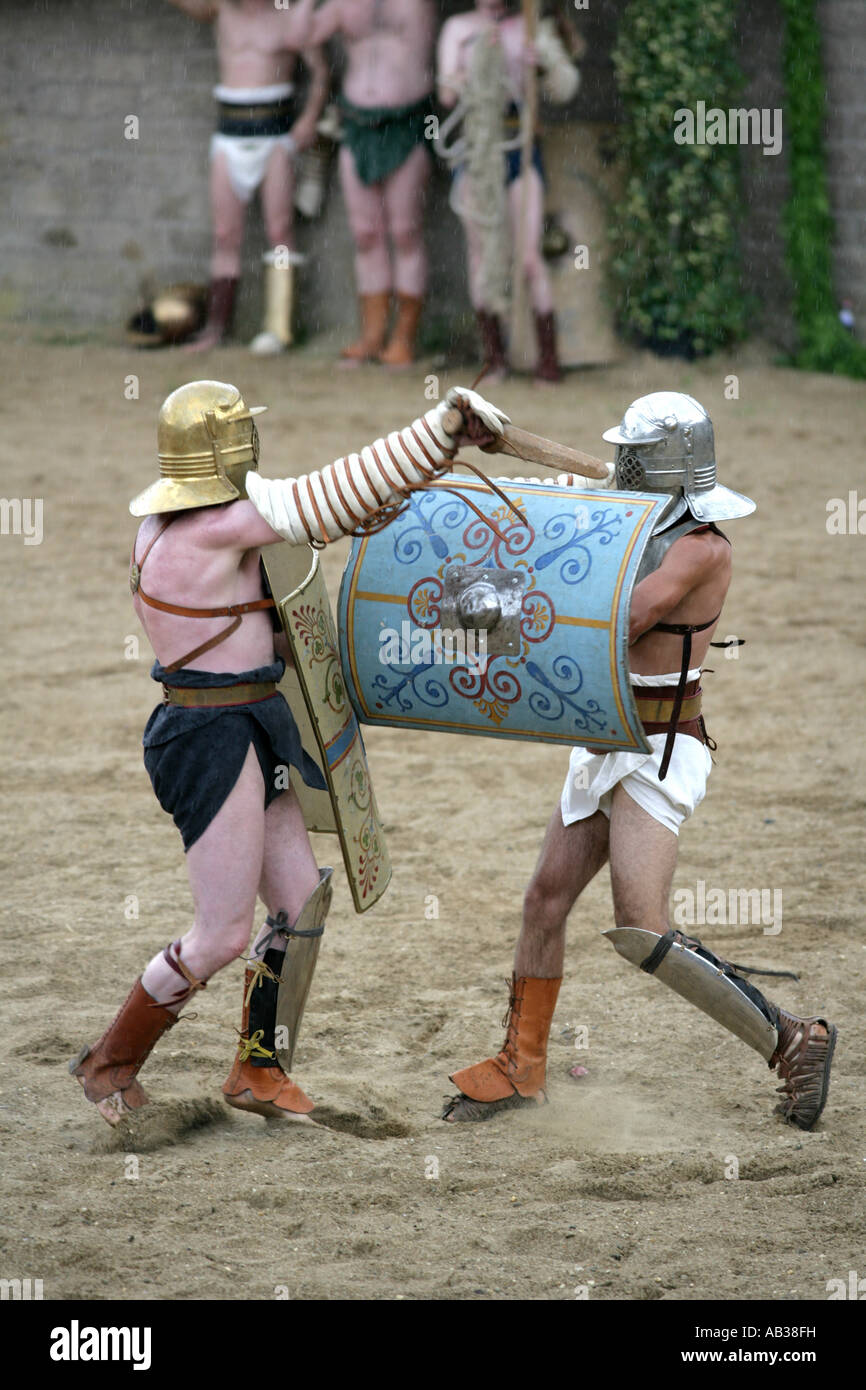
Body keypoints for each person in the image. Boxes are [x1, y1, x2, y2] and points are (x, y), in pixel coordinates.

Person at [70, 377, 508, 1128]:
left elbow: (282, 607)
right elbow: (323, 497)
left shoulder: (202, 525)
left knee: (299, 902)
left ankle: (259, 1070)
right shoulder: (205, 533)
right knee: (220, 934)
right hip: (208, 737)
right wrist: (439, 430)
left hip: (255, 721)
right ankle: (110, 1063)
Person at [443, 392, 837, 1131]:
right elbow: (587, 491)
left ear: (659, 467)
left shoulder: (701, 547)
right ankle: (521, 1066)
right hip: (603, 738)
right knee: (544, 902)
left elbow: (620, 616)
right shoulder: (634, 514)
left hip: (658, 748)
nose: (618, 465)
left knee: (641, 926)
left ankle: (793, 1038)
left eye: (632, 455)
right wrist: (507, 443)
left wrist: (506, 602)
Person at [165, 0, 328, 353]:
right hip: (229, 133)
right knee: (225, 234)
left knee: (280, 230)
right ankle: (216, 328)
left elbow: (320, 72)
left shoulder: (290, 15)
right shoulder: (221, 9)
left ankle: (279, 327)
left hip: (275, 132)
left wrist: (310, 117)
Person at [436, 0, 580, 382]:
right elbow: (447, 94)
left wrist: (543, 63)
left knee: (530, 258)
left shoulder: (531, 26)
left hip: (520, 148)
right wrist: (474, 64)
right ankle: (494, 357)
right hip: (478, 152)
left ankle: (548, 361)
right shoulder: (458, 28)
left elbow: (564, 87)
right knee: (481, 255)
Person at [309, 0, 437, 367]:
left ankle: (403, 339)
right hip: (356, 122)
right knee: (365, 233)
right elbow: (300, 34)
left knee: (405, 231)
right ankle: (371, 336)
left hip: (406, 121)